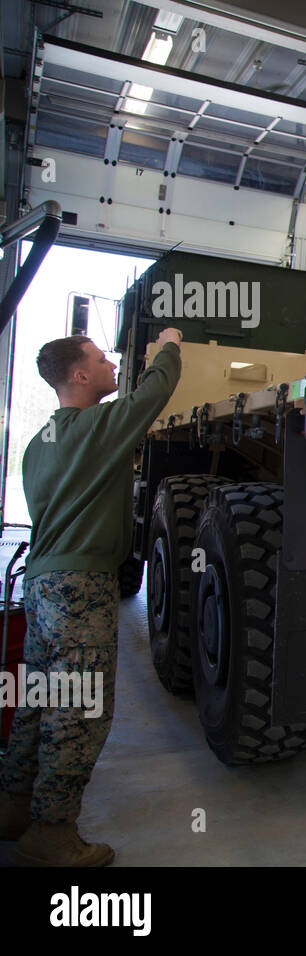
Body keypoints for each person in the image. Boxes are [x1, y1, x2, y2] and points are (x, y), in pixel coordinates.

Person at [0, 328, 183, 866]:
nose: (110, 367)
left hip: (42, 583)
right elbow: (153, 393)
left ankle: (13, 805)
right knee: (78, 709)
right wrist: (169, 345)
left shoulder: (41, 443)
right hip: (80, 588)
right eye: (102, 361)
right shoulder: (96, 428)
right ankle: (52, 832)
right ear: (79, 376)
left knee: (38, 698)